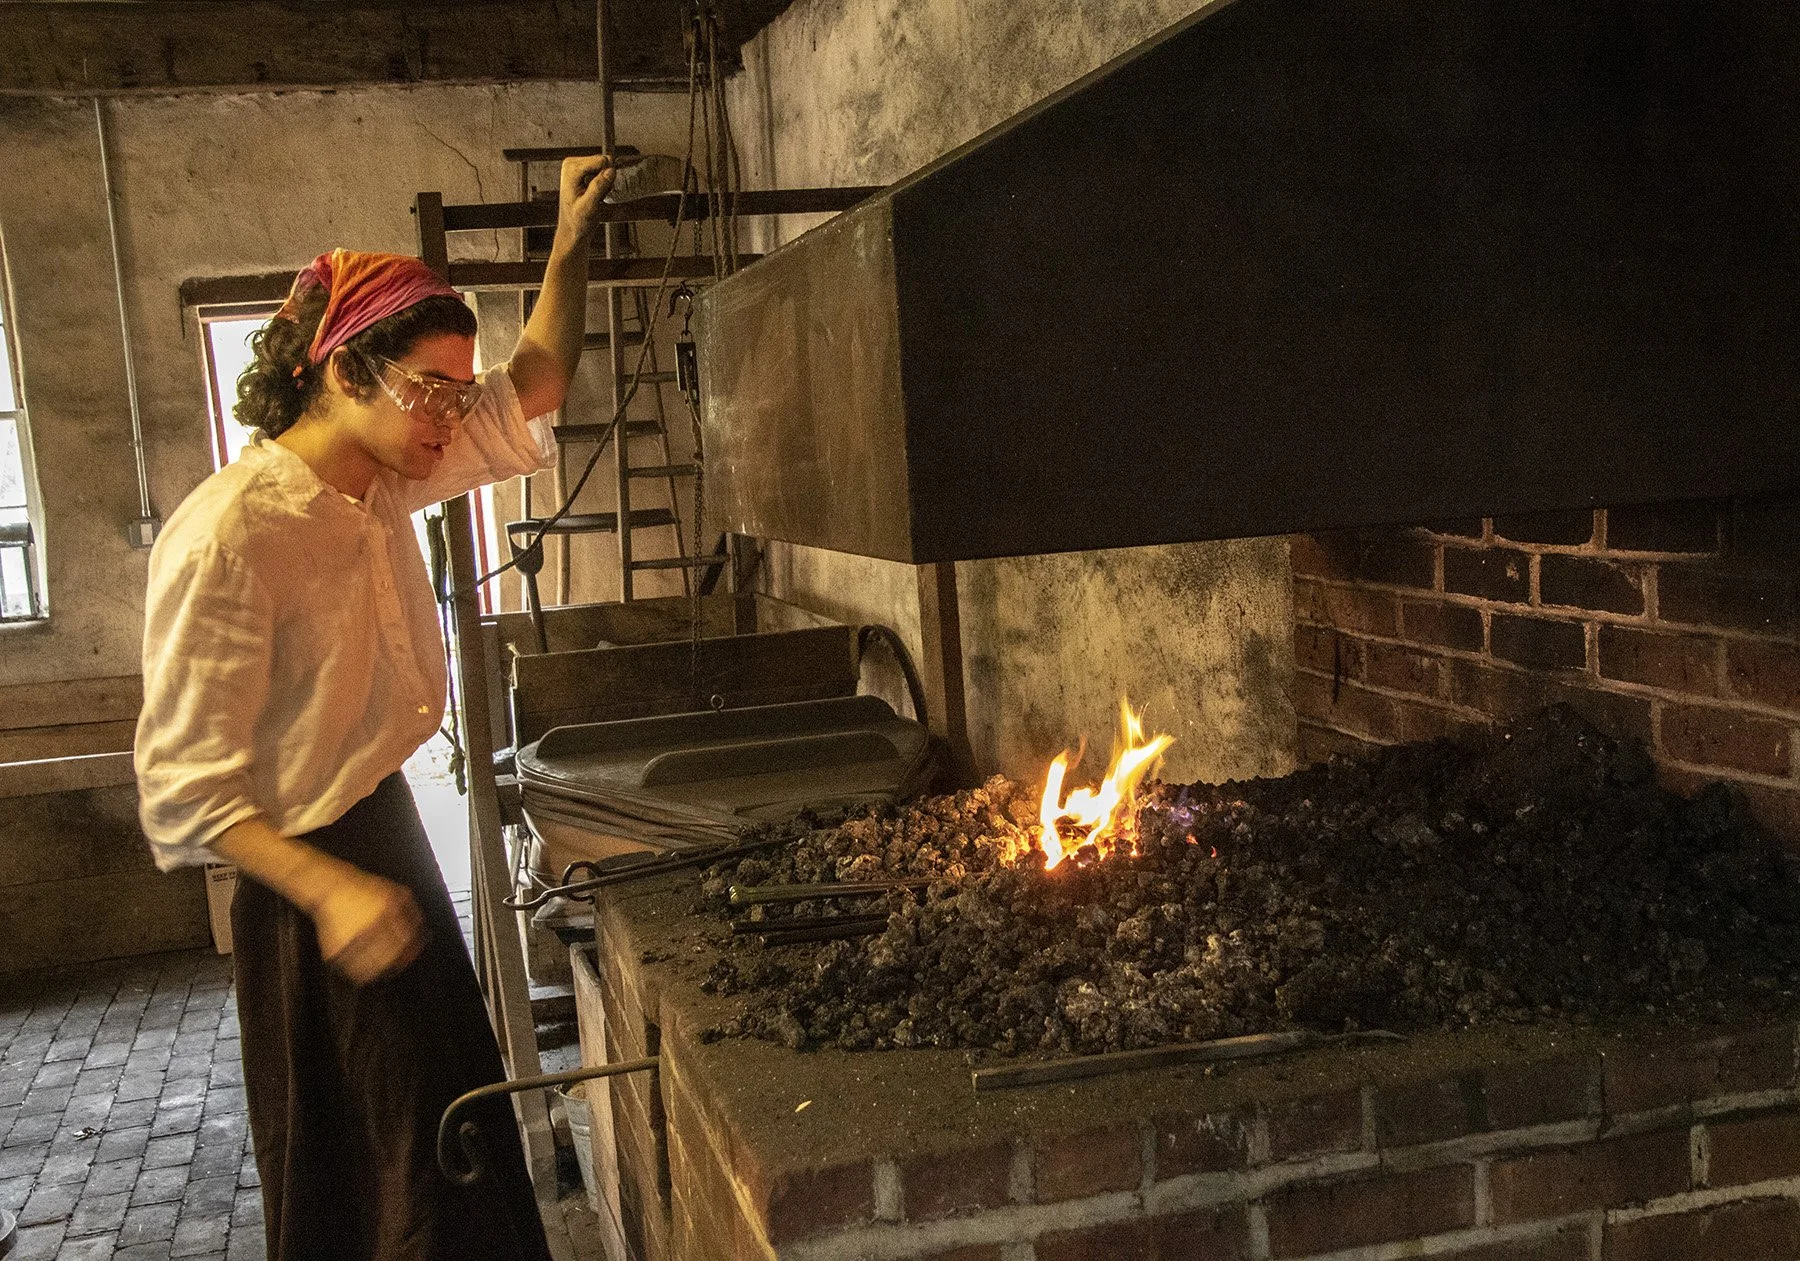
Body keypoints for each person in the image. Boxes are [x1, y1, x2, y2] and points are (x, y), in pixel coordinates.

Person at [133, 154, 616, 1261]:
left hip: (382, 838)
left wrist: (569, 240)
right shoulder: (231, 536)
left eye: (459, 389)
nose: (455, 413)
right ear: (347, 371)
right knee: (373, 1184)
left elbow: (536, 380)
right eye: (433, 391)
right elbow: (180, 788)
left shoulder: (383, 474)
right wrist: (328, 890)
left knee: (454, 1145)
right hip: (307, 893)